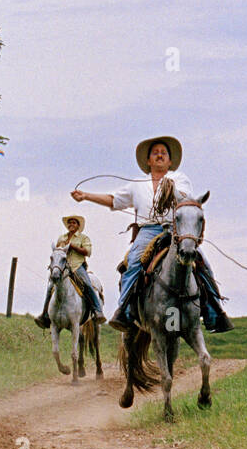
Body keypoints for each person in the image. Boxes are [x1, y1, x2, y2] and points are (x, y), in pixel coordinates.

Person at [71, 134, 232, 333]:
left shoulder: (179, 179)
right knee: (133, 262)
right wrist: (86, 196)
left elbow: (184, 197)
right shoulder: (136, 184)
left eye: (163, 153)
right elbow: (114, 200)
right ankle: (125, 310)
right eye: (155, 153)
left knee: (201, 262)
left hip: (174, 230)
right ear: (148, 161)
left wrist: (168, 186)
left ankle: (214, 311)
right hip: (147, 230)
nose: (159, 155)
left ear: (170, 160)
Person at [31, 214, 106, 327]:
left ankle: (97, 311)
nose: (71, 224)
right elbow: (57, 252)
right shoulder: (62, 238)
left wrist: (73, 247)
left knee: (87, 284)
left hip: (77, 266)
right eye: (69, 222)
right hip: (62, 267)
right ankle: (45, 314)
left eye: (74, 222)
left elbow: (88, 252)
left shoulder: (83, 238)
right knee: (50, 286)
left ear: (78, 226)